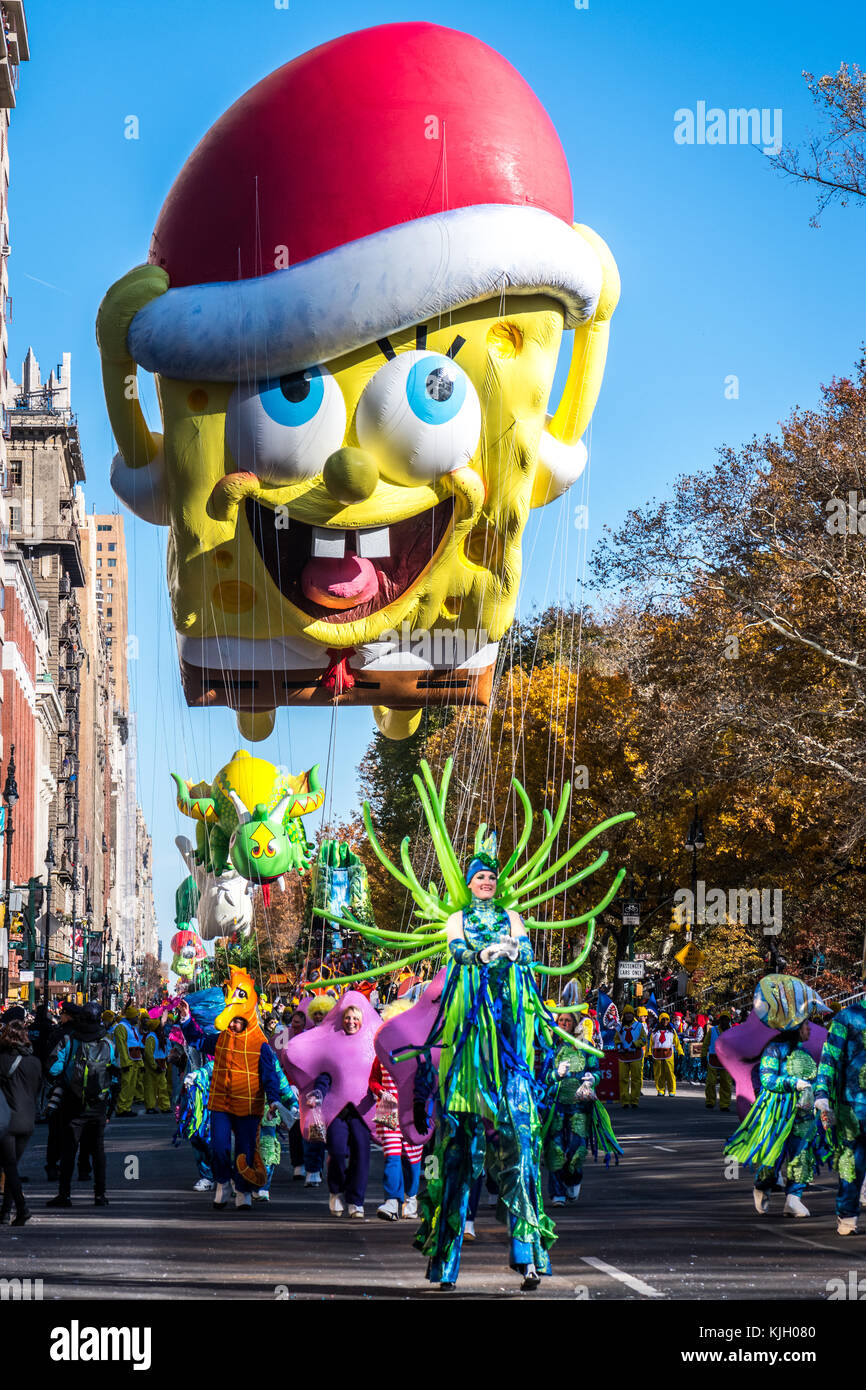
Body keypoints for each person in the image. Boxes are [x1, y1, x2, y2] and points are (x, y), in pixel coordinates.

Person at [415, 852, 556, 1291]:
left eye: (492, 876)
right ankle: (445, 1266)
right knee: (456, 1149)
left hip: (510, 1043)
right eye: (479, 877)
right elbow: (457, 950)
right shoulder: (458, 918)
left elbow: (528, 950)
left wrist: (513, 949)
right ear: (468, 882)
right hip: (473, 1047)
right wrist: (480, 953)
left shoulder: (512, 916)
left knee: (523, 1144)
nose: (487, 882)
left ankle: (529, 1257)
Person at [179, 966, 296, 1211]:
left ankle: (243, 1190)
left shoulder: (261, 1045)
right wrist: (186, 1020)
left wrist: (274, 1101)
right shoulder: (220, 1039)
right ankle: (222, 1181)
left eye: (238, 1022)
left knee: (244, 1150)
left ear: (247, 1019)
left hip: (249, 1105)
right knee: (219, 1146)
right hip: (221, 1103)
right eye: (231, 1022)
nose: (233, 1026)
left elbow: (271, 1077)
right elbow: (198, 1041)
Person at [726, 1014, 828, 1219]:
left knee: (802, 1156)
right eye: (806, 1025)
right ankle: (763, 1186)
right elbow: (767, 1078)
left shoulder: (805, 1053)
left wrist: (820, 1097)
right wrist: (792, 1083)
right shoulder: (774, 1050)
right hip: (778, 1113)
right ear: (795, 1028)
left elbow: (814, 1079)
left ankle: (794, 1199)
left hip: (803, 1114)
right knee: (772, 1157)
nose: (810, 1029)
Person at [543, 1012, 622, 1206]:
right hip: (557, 1106)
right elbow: (543, 1077)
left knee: (577, 1149)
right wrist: (555, 1074)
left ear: (575, 1024)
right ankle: (557, 1193)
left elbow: (596, 1071)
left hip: (580, 1106)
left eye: (567, 1021)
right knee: (555, 1150)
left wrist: (592, 1079)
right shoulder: (552, 1049)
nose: (564, 1024)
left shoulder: (586, 1048)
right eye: (560, 1021)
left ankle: (573, 1181)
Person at [45, 1002, 118, 1209]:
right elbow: (116, 1074)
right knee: (98, 1151)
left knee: (69, 1149)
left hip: (72, 1102)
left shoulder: (69, 1040)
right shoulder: (108, 1042)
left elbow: (53, 1068)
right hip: (98, 1104)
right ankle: (100, 1195)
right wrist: (109, 1105)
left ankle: (64, 1194)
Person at [308, 1004, 373, 1220]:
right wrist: (318, 1093)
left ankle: (356, 1200)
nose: (351, 1021)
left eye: (356, 1017)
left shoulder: (370, 1044)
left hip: (361, 1110)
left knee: (361, 1154)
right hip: (337, 1109)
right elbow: (325, 1074)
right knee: (335, 1151)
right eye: (347, 1017)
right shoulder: (332, 1045)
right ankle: (336, 1191)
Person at [814, 997, 866, 1235]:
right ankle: (847, 1212)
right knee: (852, 1162)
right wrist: (822, 1092)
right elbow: (830, 1056)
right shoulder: (847, 1016)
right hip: (852, 1106)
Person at [369, 1051, 424, 1221]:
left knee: (412, 1159)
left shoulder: (418, 1052)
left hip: (412, 1112)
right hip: (389, 1109)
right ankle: (391, 1202)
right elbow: (373, 1080)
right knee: (392, 1157)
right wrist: (380, 1092)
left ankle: (411, 1198)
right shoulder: (382, 1054)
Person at [0, 1019, 43, 1225]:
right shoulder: (35, 1062)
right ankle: (5, 1212)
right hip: (28, 1119)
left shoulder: (2, 1060)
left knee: (9, 1166)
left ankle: (22, 1207)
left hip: (7, 1119)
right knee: (12, 1167)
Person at [111, 1004, 144, 1117]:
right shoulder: (121, 1027)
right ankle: (121, 1108)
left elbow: (136, 1045)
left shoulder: (131, 1028)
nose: (137, 1019)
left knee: (131, 1086)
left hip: (133, 1061)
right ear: (130, 1017)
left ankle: (126, 1107)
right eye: (136, 1016)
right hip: (127, 1062)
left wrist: (140, 1063)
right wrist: (125, 1063)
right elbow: (121, 1046)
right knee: (126, 1086)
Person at [613, 1005, 647, 1107]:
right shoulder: (619, 1027)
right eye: (626, 1014)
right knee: (623, 1078)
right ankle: (625, 1101)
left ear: (633, 1015)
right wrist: (620, 1046)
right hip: (623, 1056)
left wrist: (636, 1044)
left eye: (630, 1014)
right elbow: (616, 1039)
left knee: (636, 1079)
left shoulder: (639, 1026)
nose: (628, 1016)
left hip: (635, 1054)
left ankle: (634, 1100)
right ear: (624, 1015)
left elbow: (644, 1039)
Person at [703, 1010, 734, 1110]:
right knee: (711, 1082)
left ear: (729, 1021)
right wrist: (703, 1056)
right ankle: (710, 1101)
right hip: (713, 1059)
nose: (724, 1022)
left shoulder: (733, 1031)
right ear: (720, 1020)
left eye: (726, 1020)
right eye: (723, 1019)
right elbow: (705, 1044)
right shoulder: (712, 1030)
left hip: (727, 1061)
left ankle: (724, 1104)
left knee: (726, 1083)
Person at [143, 1012, 172, 1114]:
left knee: (162, 1087)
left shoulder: (157, 1036)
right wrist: (154, 1066)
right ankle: (150, 1107)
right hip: (154, 1067)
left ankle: (165, 1106)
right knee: (151, 1087)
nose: (161, 1027)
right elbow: (148, 1054)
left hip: (161, 1066)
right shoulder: (151, 1037)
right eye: (159, 1026)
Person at [651, 1012, 683, 1096]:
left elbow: (677, 1043)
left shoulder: (672, 1031)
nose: (665, 1021)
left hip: (668, 1054)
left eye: (667, 1019)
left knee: (670, 1072)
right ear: (660, 1020)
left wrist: (680, 1052)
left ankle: (672, 1090)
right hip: (657, 1054)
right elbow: (650, 1043)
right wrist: (648, 1054)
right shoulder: (654, 1032)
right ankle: (660, 1089)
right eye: (663, 1019)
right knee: (659, 1072)